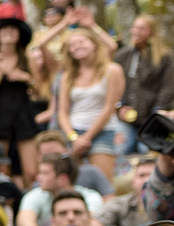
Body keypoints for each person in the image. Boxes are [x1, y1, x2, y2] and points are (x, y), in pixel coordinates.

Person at [54, 29, 126, 180]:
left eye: (81, 42)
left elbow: (109, 108)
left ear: (94, 44)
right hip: (74, 131)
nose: (77, 47)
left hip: (103, 131)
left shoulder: (112, 70)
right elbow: (62, 112)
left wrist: (86, 138)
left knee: (102, 180)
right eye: (72, 45)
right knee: (73, 181)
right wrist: (74, 138)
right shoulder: (67, 76)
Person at [0, 16, 40, 185]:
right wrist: (0, 71)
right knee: (0, 168)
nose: (9, 32)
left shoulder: (28, 58)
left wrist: (26, 78)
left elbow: (40, 91)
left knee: (32, 171)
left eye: (13, 29)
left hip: (23, 115)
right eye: (4, 29)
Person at [114, 15, 174, 152]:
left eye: (141, 28)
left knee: (146, 151)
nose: (136, 31)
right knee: (120, 149)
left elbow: (168, 88)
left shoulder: (164, 57)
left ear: (152, 32)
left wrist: (157, 114)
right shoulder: (123, 55)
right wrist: (120, 106)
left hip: (150, 118)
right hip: (126, 117)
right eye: (135, 27)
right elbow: (115, 85)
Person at [16, 153, 103, 226]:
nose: (38, 177)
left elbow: (92, 225)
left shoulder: (91, 197)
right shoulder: (36, 194)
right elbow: (24, 219)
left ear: (62, 179)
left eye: (45, 173)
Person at [99, 155, 158, 226]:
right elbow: (96, 223)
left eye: (151, 175)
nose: (146, 180)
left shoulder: (173, 204)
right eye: (141, 175)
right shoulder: (119, 204)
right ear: (133, 182)